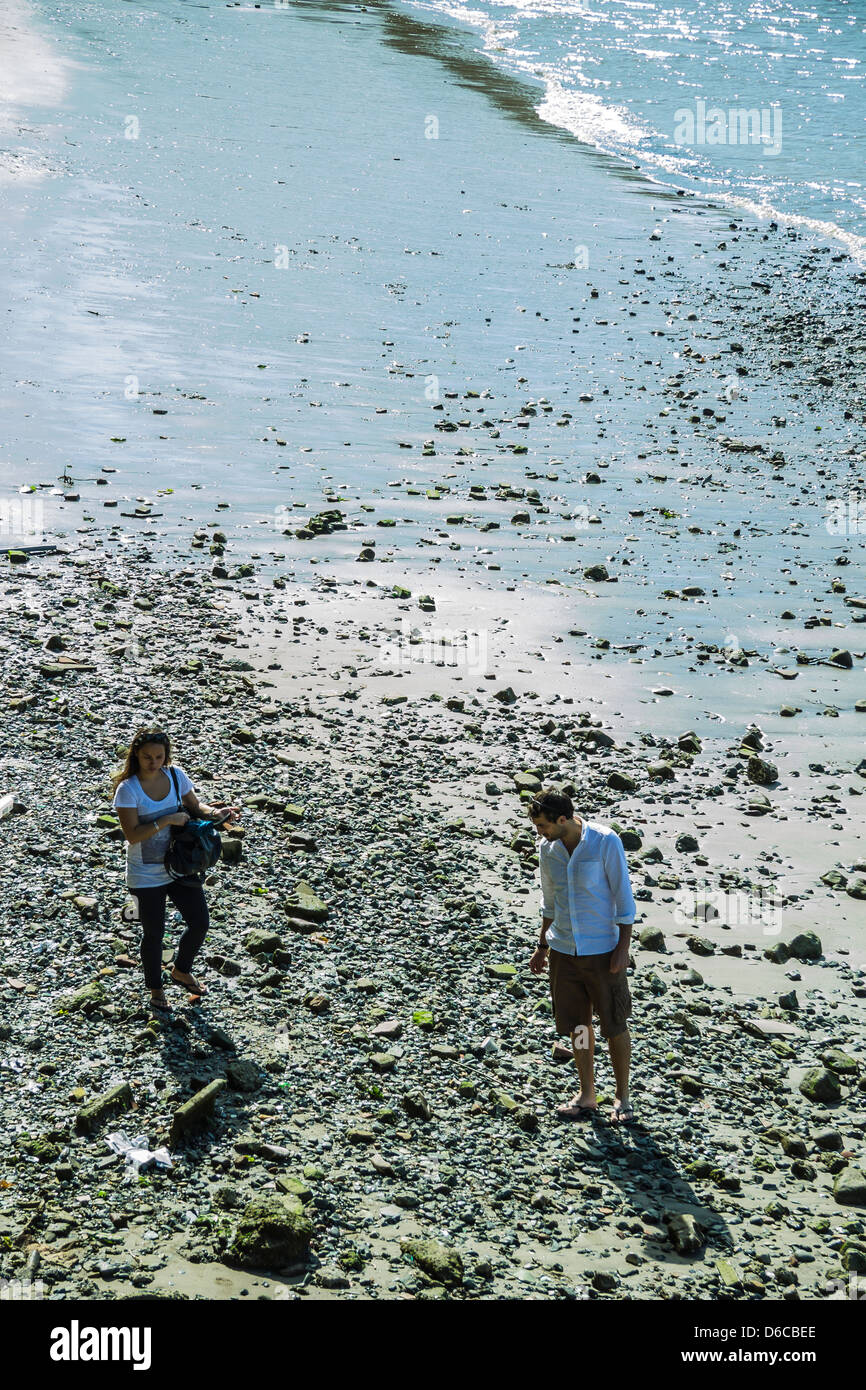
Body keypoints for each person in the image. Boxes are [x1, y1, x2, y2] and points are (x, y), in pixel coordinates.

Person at [111, 727, 240, 1013]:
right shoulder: (128, 789)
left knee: (200, 923)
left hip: (180, 866)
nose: (154, 762)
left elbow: (196, 807)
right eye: (147, 757)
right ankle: (155, 989)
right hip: (144, 872)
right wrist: (167, 819)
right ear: (136, 756)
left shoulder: (175, 775)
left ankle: (181, 970)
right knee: (154, 933)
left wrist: (217, 814)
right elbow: (132, 835)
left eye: (159, 756)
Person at [527, 788, 637, 1123]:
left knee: (614, 1023)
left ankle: (622, 1097)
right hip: (563, 949)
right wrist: (542, 945)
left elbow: (623, 897)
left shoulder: (605, 841)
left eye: (543, 826)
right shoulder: (548, 850)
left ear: (564, 819)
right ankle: (587, 1094)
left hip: (603, 951)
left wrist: (623, 947)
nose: (540, 833)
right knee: (579, 1025)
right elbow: (550, 900)